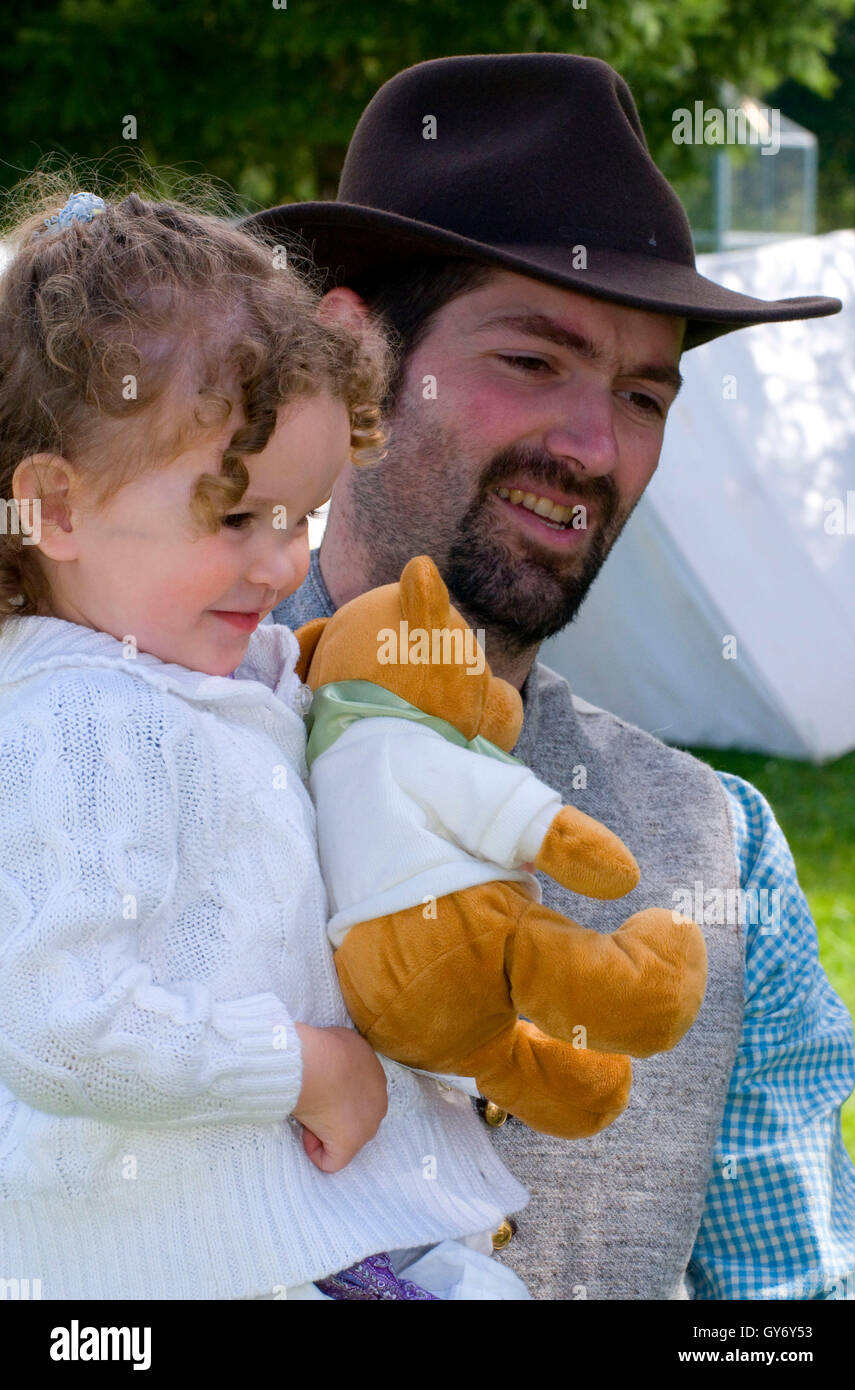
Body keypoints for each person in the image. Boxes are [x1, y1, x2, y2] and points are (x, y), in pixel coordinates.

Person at [244, 52, 855, 1300]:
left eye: (643, 393)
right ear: (350, 370)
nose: (594, 447)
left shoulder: (717, 853)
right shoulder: (99, 739)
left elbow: (795, 1300)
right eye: (532, 359)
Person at [0, 186, 533, 1300]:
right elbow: (63, 1024)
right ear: (53, 507)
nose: (284, 566)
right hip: (173, 1252)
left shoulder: (184, 676)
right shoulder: (81, 722)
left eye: (304, 517)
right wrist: (301, 1066)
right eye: (237, 518)